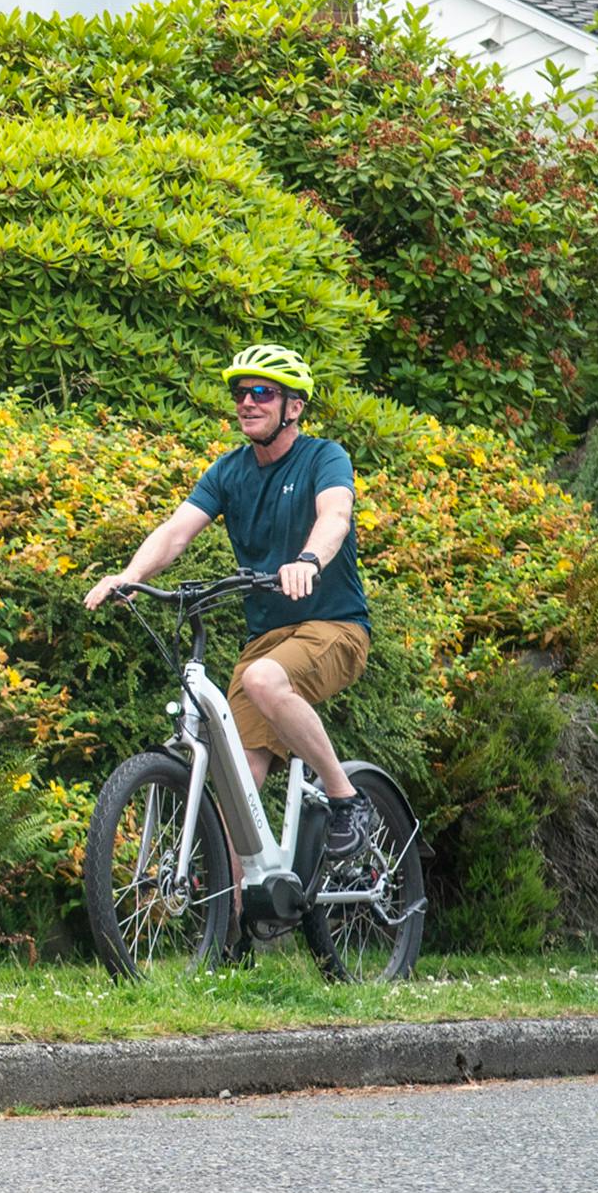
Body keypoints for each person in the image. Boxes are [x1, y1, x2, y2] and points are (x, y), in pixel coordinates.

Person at [81, 344, 378, 855]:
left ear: (294, 407)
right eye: (241, 392)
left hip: (334, 628)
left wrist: (308, 560)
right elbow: (177, 531)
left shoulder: (323, 457)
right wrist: (128, 575)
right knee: (235, 803)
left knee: (262, 678)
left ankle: (346, 798)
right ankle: (232, 926)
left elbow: (335, 517)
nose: (247, 402)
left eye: (262, 392)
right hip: (266, 639)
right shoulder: (229, 471)